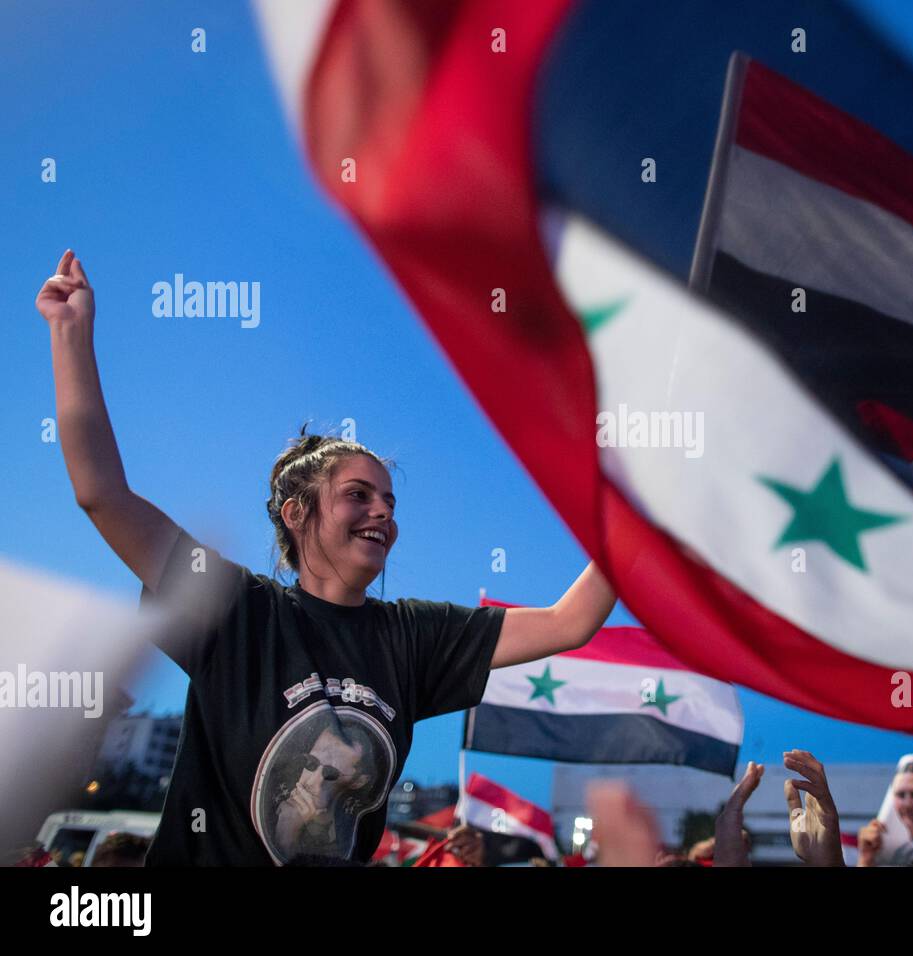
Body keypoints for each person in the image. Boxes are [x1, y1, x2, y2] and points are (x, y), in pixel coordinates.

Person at [37, 251, 616, 866]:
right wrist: (70, 333)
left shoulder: (413, 637)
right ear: (297, 514)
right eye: (358, 497)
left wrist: (640, 507)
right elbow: (102, 493)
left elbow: (568, 622)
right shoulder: (236, 611)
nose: (382, 515)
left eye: (390, 502)